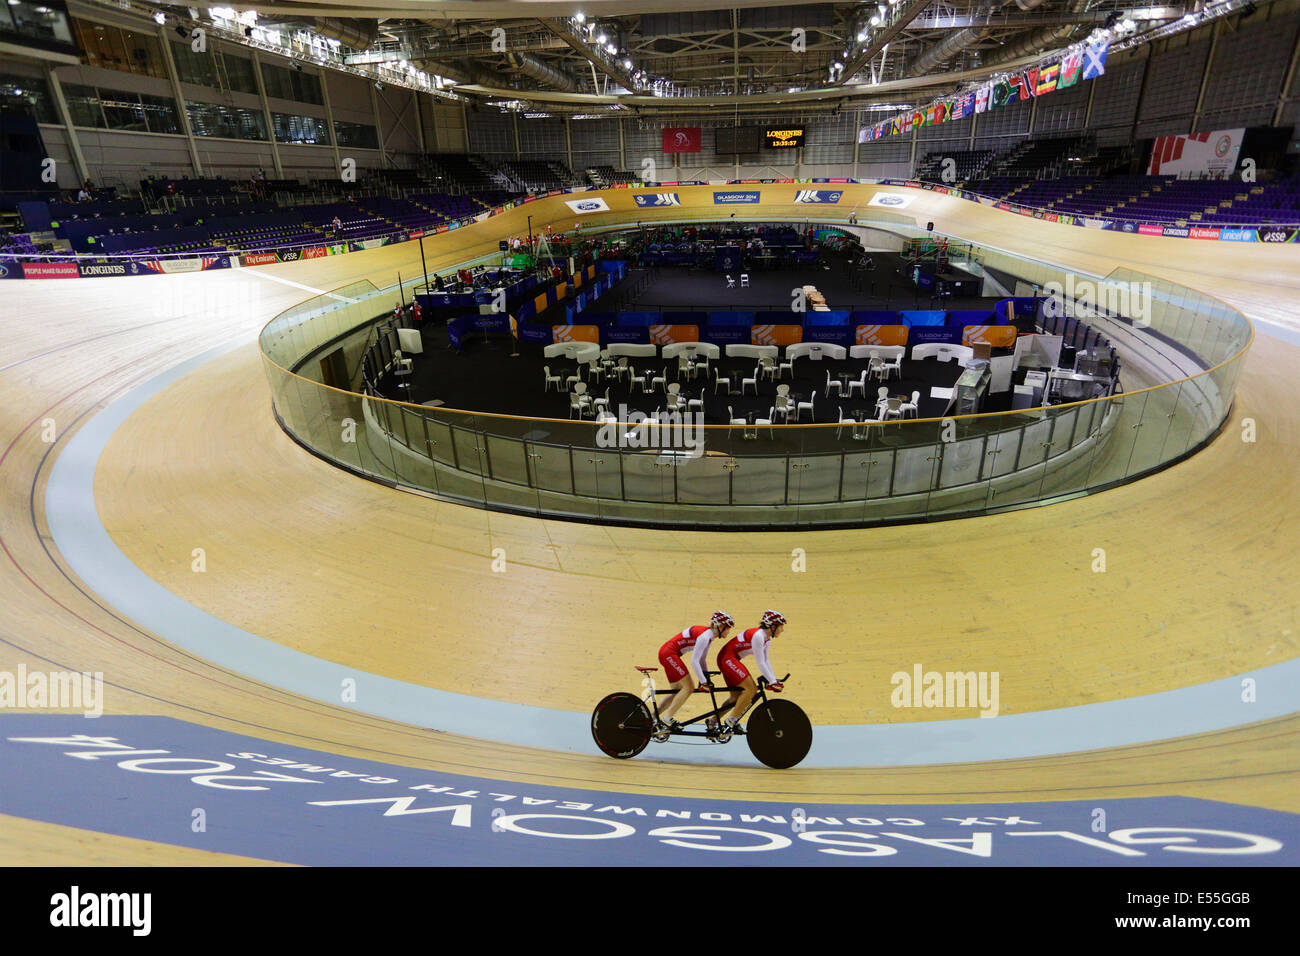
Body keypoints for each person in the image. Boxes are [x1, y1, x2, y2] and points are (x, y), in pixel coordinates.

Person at [654, 611, 736, 734]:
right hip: (669, 654)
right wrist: (703, 682)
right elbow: (694, 662)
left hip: (667, 653)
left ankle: (652, 717)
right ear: (719, 626)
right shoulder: (705, 636)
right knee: (689, 688)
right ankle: (667, 719)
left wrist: (706, 678)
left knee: (677, 692)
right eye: (727, 628)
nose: (728, 632)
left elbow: (702, 659)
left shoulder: (709, 636)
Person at [714, 610, 787, 741]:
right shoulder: (758, 636)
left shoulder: (767, 640)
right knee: (751, 689)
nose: (782, 630)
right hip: (727, 658)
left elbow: (766, 661)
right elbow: (760, 662)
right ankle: (731, 721)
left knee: (736, 697)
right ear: (773, 626)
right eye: (780, 627)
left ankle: (712, 721)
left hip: (730, 658)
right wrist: (772, 682)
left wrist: (773, 679)